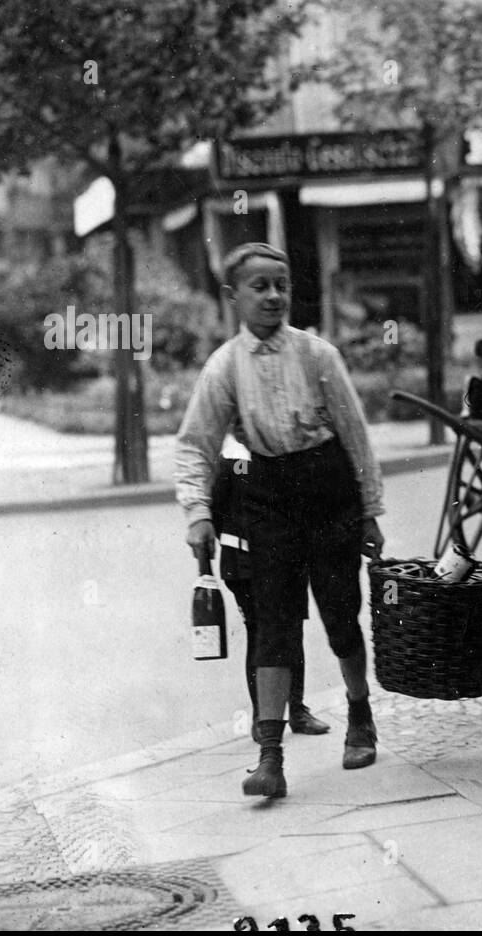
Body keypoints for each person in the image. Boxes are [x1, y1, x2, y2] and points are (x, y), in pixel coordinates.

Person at [175, 242, 386, 798]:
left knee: (341, 612)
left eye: (282, 284)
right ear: (233, 297)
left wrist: (369, 511)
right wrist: (198, 511)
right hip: (268, 494)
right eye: (260, 286)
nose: (273, 295)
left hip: (328, 489)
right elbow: (195, 445)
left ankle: (360, 714)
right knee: (273, 622)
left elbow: (356, 436)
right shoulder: (224, 367)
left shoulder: (318, 356)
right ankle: (270, 756)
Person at [209, 426, 331, 740]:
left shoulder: (286, 451)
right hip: (245, 561)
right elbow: (215, 512)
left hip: (288, 556)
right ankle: (263, 718)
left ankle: (298, 710)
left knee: (293, 629)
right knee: (262, 633)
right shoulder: (232, 459)